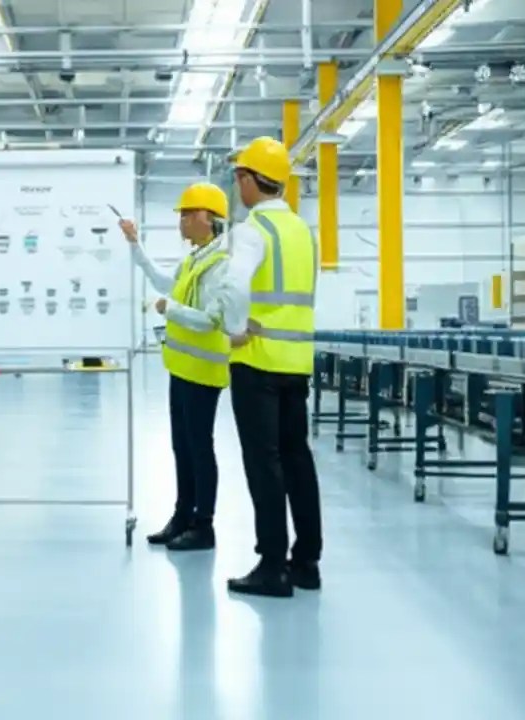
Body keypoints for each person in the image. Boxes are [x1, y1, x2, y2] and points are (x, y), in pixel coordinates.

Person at [220, 136, 322, 598]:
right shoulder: (303, 231)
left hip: (257, 361)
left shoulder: (250, 228)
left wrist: (236, 327)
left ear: (248, 179)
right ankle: (306, 562)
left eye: (237, 176)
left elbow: (237, 282)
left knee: (264, 465)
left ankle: (272, 565)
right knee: (297, 459)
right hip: (296, 362)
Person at [120, 182, 233, 552]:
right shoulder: (196, 259)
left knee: (200, 447)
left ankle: (204, 525)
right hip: (182, 368)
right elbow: (161, 280)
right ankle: (182, 516)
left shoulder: (221, 263)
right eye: (182, 215)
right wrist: (134, 244)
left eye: (188, 214)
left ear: (209, 218)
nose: (182, 221)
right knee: (182, 447)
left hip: (203, 372)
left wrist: (171, 310)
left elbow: (211, 320)